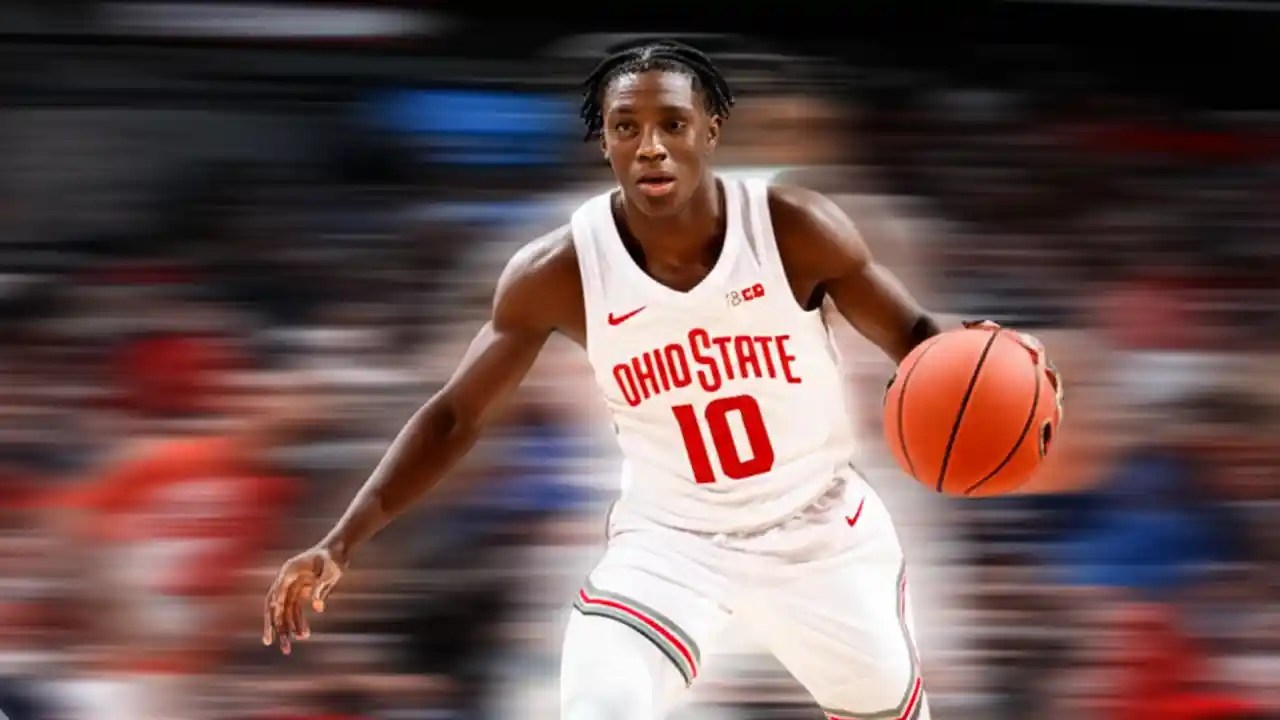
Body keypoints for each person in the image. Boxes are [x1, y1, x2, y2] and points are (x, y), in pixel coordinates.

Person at [263, 40, 1061, 720]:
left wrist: (995, 371)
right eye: (625, 127)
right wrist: (339, 542)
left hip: (818, 529)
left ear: (710, 130)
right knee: (598, 702)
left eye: (672, 123)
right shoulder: (556, 273)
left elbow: (921, 347)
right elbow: (453, 418)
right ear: (602, 143)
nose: (650, 145)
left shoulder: (793, 228)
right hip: (671, 540)